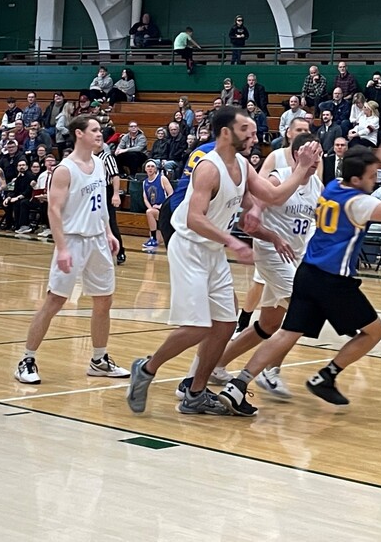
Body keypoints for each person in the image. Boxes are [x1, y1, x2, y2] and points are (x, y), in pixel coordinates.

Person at [215, 148, 381, 414]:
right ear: (357, 180)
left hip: (307, 272)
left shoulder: (333, 186)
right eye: (372, 176)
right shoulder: (357, 203)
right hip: (333, 281)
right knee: (375, 332)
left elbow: (359, 166)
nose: (375, 180)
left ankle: (237, 385)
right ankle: (327, 375)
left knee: (287, 332)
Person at [125, 107, 322, 417]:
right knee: (198, 326)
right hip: (189, 247)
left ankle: (196, 392)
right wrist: (232, 241)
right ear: (226, 133)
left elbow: (270, 198)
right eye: (247, 130)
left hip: (214, 250)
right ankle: (146, 368)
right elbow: (194, 217)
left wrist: (267, 230)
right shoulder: (209, 168)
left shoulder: (242, 166)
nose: (253, 135)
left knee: (227, 323)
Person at [202, 134, 324, 400]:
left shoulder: (316, 185)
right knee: (303, 308)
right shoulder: (278, 178)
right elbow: (256, 204)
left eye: (319, 155)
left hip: (296, 257)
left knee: (268, 323)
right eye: (311, 154)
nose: (316, 160)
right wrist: (255, 213)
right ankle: (268, 371)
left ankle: (215, 364)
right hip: (272, 253)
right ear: (296, 155)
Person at [13, 116, 128, 384]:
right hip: (73, 240)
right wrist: (62, 248)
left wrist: (109, 233)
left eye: (100, 130)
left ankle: (99, 359)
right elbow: (53, 209)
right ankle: (26, 359)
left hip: (98, 239)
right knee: (55, 301)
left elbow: (100, 206)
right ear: (79, 134)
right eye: (95, 130)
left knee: (104, 300)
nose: (100, 134)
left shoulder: (99, 164)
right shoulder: (64, 170)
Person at [140, 160, 173, 251]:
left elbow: (171, 194)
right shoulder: (144, 182)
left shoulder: (162, 178)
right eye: (148, 166)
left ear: (155, 169)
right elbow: (145, 199)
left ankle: (153, 239)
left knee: (149, 212)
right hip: (156, 211)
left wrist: (162, 206)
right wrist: (151, 207)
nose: (150, 168)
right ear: (145, 169)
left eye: (152, 166)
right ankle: (155, 238)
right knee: (160, 241)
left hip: (165, 209)